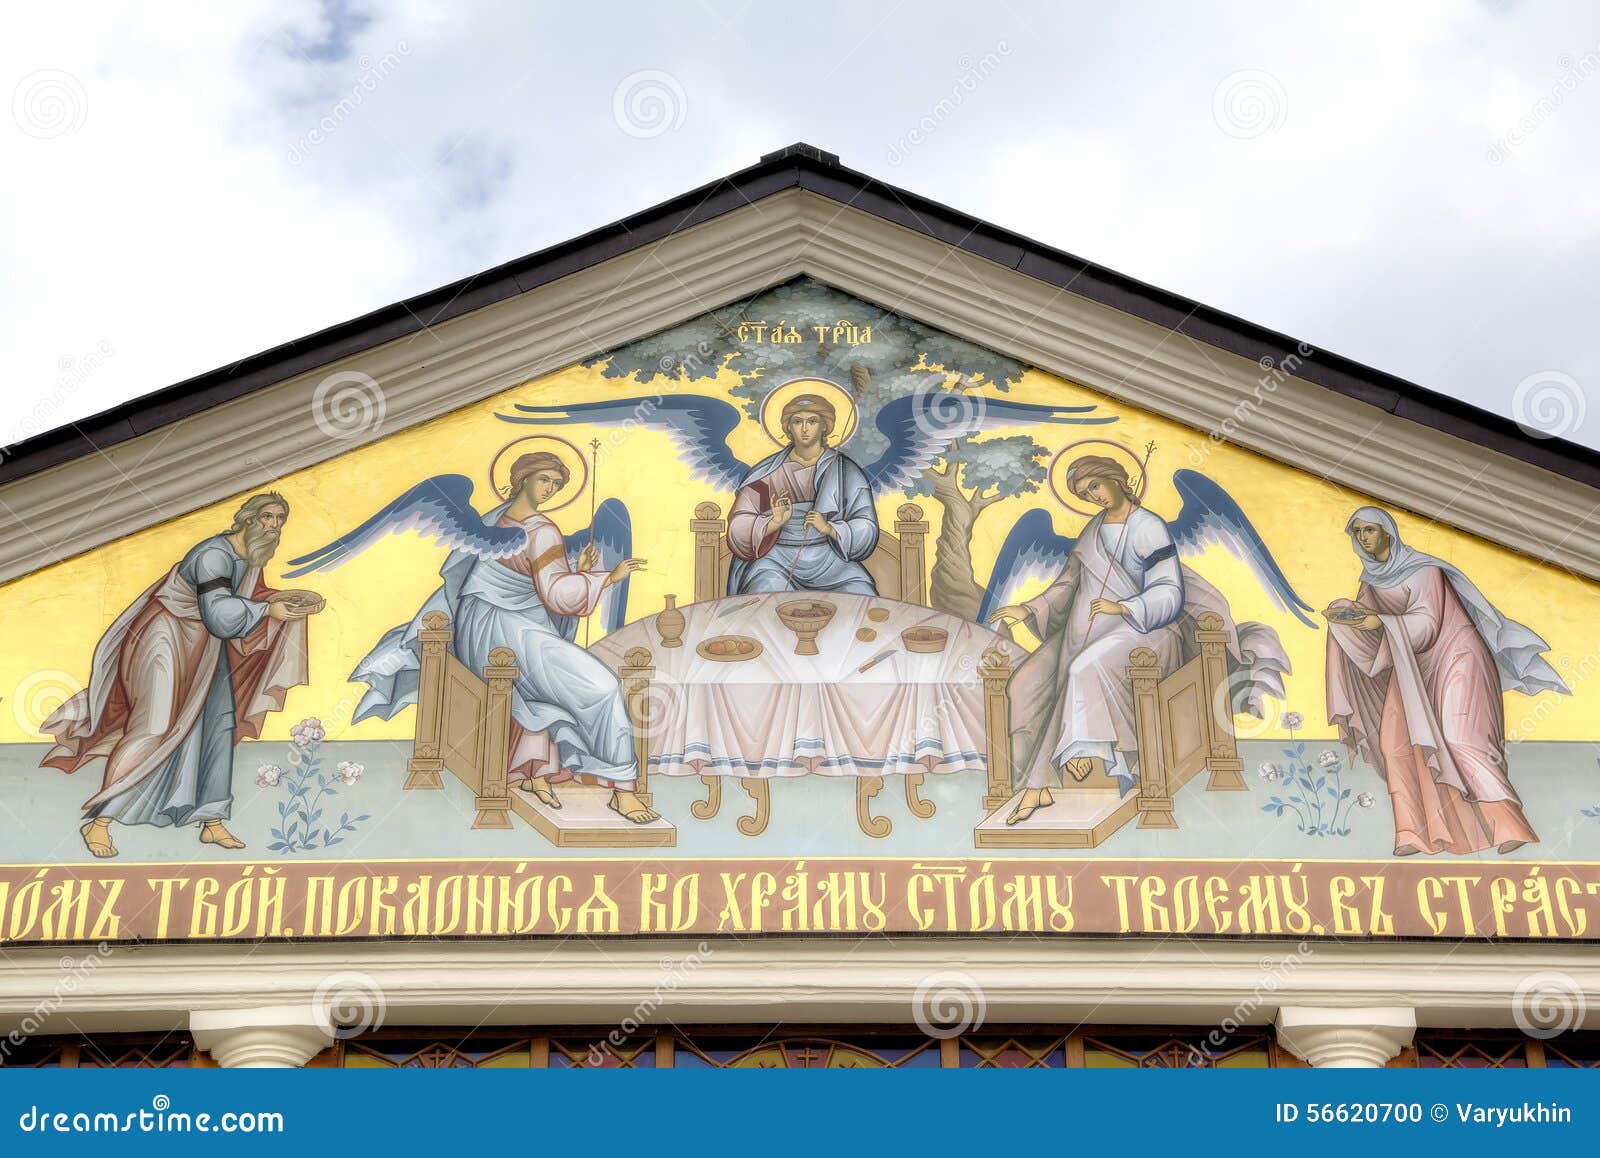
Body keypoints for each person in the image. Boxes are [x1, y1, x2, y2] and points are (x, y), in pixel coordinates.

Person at [351, 452, 657, 823]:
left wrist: (579, 572)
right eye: (544, 480)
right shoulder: (542, 530)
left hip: (477, 628)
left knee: (541, 691)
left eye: (556, 485)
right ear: (523, 478)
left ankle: (533, 771)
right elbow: (558, 596)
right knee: (603, 687)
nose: (550, 489)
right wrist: (607, 578)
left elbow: (524, 582)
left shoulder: (492, 520)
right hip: (510, 630)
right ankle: (622, 789)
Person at [41, 492, 316, 858]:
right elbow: (220, 614)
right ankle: (100, 821)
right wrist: (267, 610)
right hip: (164, 639)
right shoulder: (213, 555)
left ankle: (212, 820)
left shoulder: (250, 560)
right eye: (267, 516)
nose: (273, 525)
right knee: (154, 726)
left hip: (203, 647)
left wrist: (276, 605)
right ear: (246, 519)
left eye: (279, 519)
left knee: (219, 724)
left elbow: (245, 602)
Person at [1324, 507, 1567, 856]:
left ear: (1388, 533)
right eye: (1357, 531)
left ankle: (1509, 824)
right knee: (1394, 742)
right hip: (1410, 664)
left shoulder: (1424, 571)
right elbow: (1374, 633)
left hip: (1457, 657)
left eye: (1369, 530)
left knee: (1461, 738)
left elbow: (1427, 623)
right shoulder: (1371, 581)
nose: (1362, 538)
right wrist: (1347, 620)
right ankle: (1413, 833)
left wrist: (1381, 623)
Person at [988, 455, 1184, 824]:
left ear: (1115, 479)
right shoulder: (1093, 530)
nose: (1092, 496)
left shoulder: (1148, 527)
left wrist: (1124, 607)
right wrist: (1029, 609)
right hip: (1083, 631)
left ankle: (1077, 753)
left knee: (1082, 670)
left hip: (1140, 629)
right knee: (1024, 686)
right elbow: (1067, 584)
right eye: (1083, 493)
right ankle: (1040, 785)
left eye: (1094, 485)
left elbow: (1169, 591)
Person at [726, 394, 879, 595]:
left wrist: (830, 529)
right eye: (797, 422)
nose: (804, 429)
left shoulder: (845, 471)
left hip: (831, 561)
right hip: (775, 559)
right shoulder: (768, 473)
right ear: (788, 427)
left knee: (861, 593)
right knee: (766, 593)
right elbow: (738, 525)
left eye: (812, 421)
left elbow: (866, 524)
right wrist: (773, 522)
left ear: (825, 426)